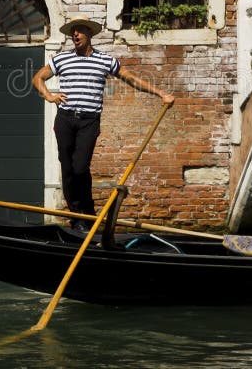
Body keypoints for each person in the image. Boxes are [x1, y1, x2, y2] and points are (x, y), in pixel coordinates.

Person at [32, 15, 175, 231]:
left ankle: (87, 214)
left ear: (89, 34)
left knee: (80, 168)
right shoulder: (61, 59)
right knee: (68, 168)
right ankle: (77, 218)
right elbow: (38, 78)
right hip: (65, 119)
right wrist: (50, 97)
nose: (75, 35)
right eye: (73, 31)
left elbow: (132, 79)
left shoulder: (105, 61)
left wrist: (161, 93)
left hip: (89, 121)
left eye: (79, 30)